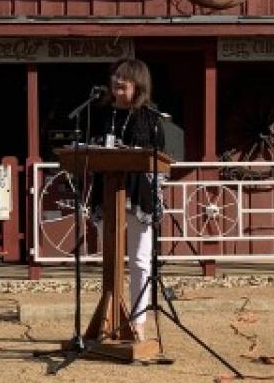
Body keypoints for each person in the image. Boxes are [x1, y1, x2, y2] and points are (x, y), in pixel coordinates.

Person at [88, 57, 167, 341]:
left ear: (138, 83)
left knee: (139, 260)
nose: (117, 83)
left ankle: (138, 321)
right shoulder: (99, 113)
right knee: (109, 258)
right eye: (115, 78)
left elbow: (159, 158)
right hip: (106, 190)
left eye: (124, 79)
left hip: (139, 193)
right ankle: (108, 319)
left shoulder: (150, 117)